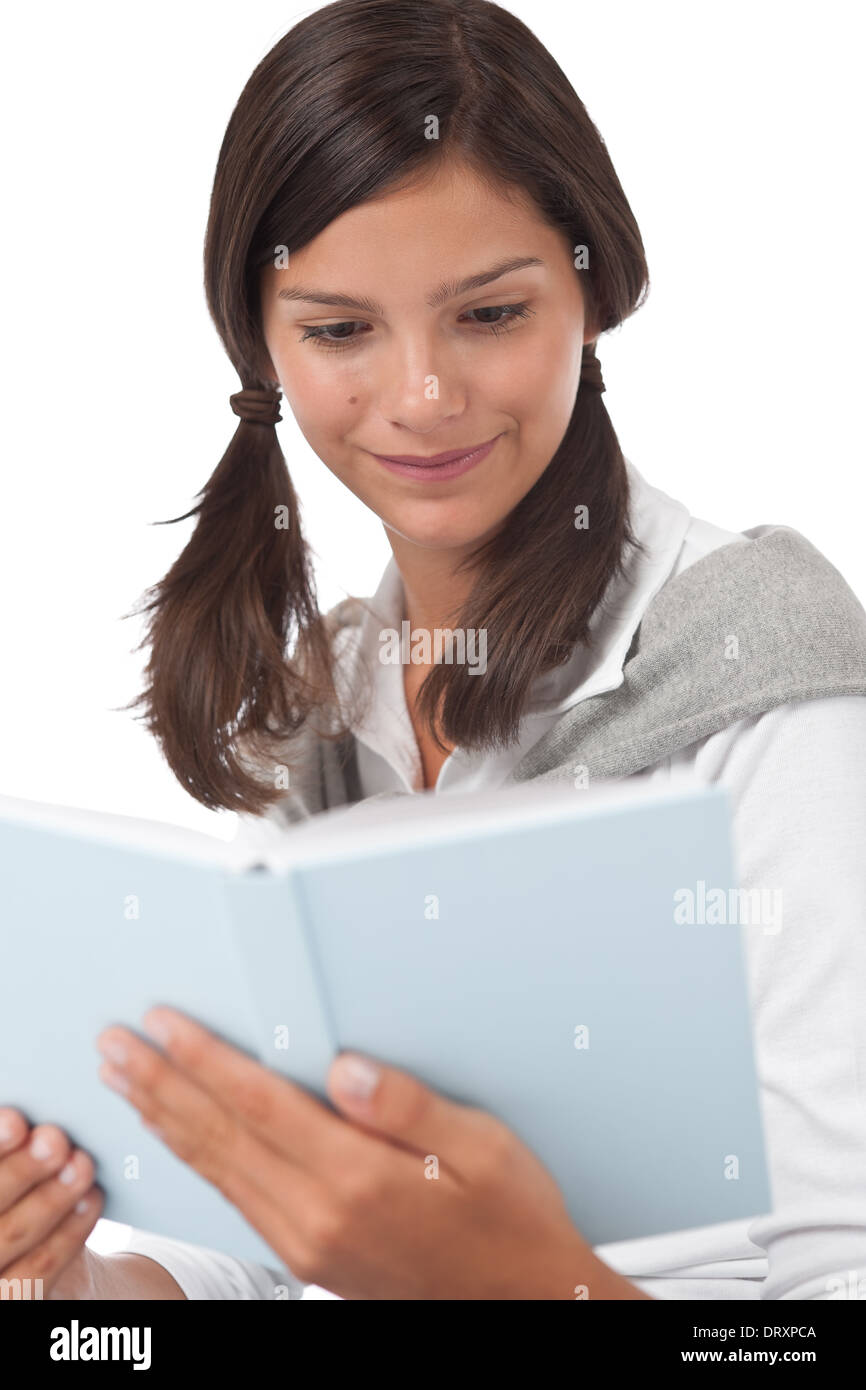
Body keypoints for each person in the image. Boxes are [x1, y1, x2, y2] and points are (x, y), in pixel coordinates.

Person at [3, 0, 865, 1300]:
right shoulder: (333, 702)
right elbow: (258, 1266)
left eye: (488, 313)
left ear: (589, 288)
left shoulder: (765, 670)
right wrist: (60, 1281)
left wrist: (524, 1283)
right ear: (266, 346)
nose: (420, 395)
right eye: (340, 330)